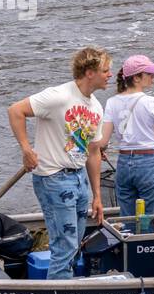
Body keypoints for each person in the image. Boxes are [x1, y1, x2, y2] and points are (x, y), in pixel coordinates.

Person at [8, 47, 110, 280]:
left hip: (79, 178)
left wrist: (97, 196)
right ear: (89, 72)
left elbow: (93, 152)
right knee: (64, 246)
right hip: (54, 178)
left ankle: (66, 288)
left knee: (74, 246)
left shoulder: (96, 106)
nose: (110, 75)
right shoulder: (59, 96)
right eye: (105, 70)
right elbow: (16, 111)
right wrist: (26, 149)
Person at [91, 54, 154, 221]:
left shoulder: (112, 102)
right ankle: (151, 246)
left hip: (123, 164)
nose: (153, 77)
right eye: (149, 73)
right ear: (137, 78)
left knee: (128, 219)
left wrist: (98, 150)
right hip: (148, 163)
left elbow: (102, 141)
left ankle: (130, 243)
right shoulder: (153, 103)